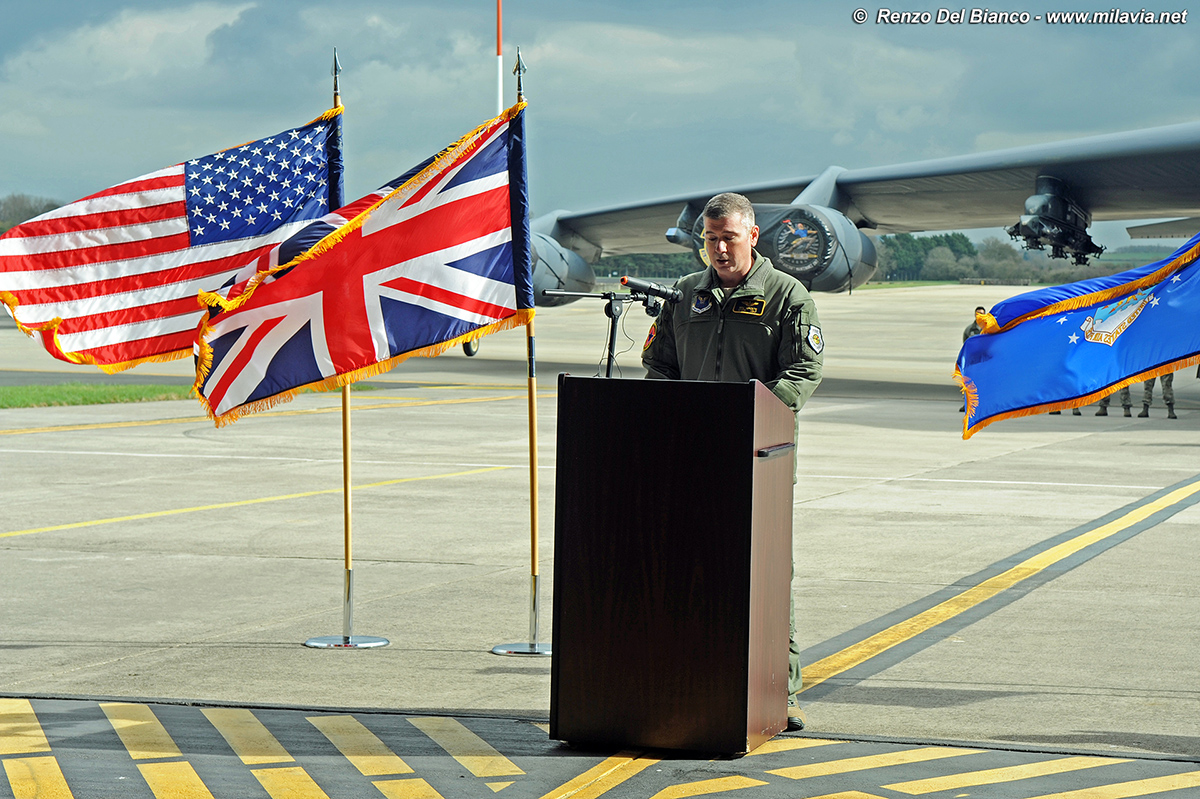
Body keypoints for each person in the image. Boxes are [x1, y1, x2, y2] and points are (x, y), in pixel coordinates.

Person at [642, 192, 822, 732]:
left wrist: (752, 416)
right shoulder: (685, 294)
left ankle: (779, 691)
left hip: (758, 456)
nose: (719, 250)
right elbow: (660, 364)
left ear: (753, 237)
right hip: (692, 456)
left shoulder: (786, 295)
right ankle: (690, 680)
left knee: (765, 572)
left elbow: (803, 371)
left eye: (729, 238)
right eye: (710, 239)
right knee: (688, 568)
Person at [961, 307, 985, 412]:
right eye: (978, 313)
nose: (979, 315)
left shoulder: (987, 329)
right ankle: (967, 403)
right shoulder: (970, 330)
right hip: (972, 360)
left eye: (982, 313)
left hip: (984, 360)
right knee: (969, 382)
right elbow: (965, 344)